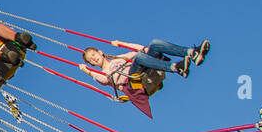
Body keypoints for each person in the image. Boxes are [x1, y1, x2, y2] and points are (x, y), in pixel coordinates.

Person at [80, 38, 209, 86]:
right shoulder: (103, 73)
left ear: (100, 52)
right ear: (92, 65)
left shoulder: (119, 58)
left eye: (93, 54)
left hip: (143, 69)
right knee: (140, 58)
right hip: (132, 80)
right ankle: (176, 67)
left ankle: (193, 54)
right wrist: (88, 72)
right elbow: (104, 80)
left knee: (154, 44)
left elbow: (140, 50)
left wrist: (121, 44)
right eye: (91, 60)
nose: (94, 58)